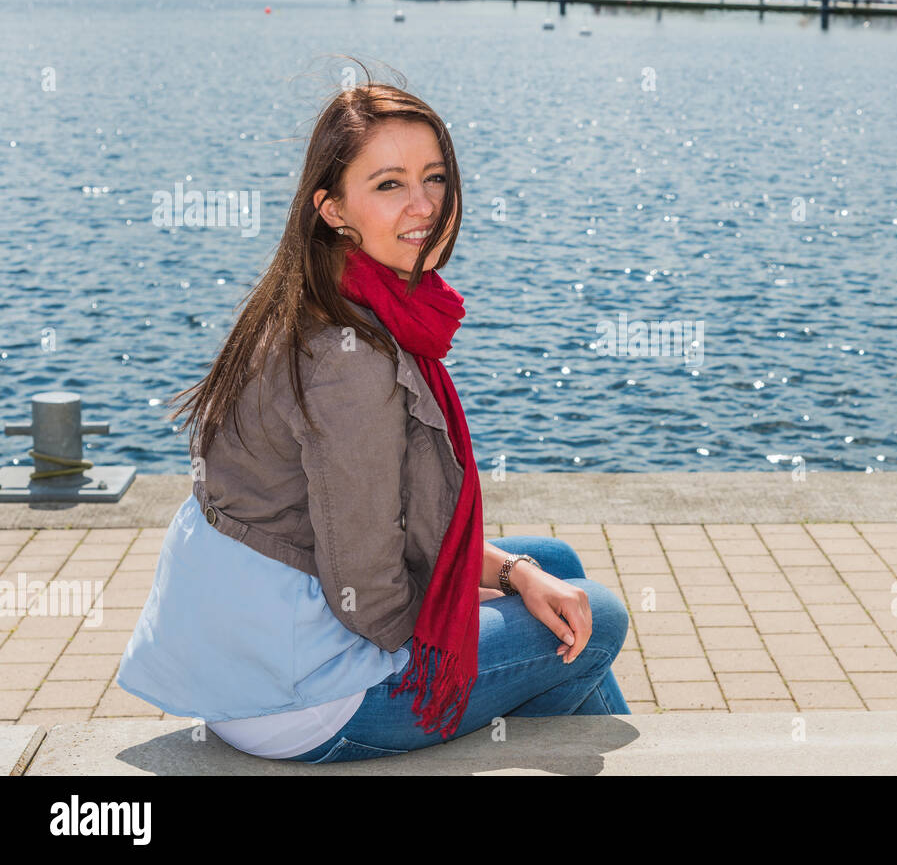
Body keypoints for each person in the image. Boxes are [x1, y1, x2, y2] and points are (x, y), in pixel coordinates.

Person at [114, 69, 631, 765]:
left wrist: (514, 576)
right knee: (594, 621)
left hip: (254, 648)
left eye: (435, 178)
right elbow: (369, 596)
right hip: (298, 698)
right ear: (333, 209)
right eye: (389, 185)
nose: (424, 206)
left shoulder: (325, 293)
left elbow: (380, 527)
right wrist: (468, 621)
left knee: (553, 570)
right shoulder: (350, 359)